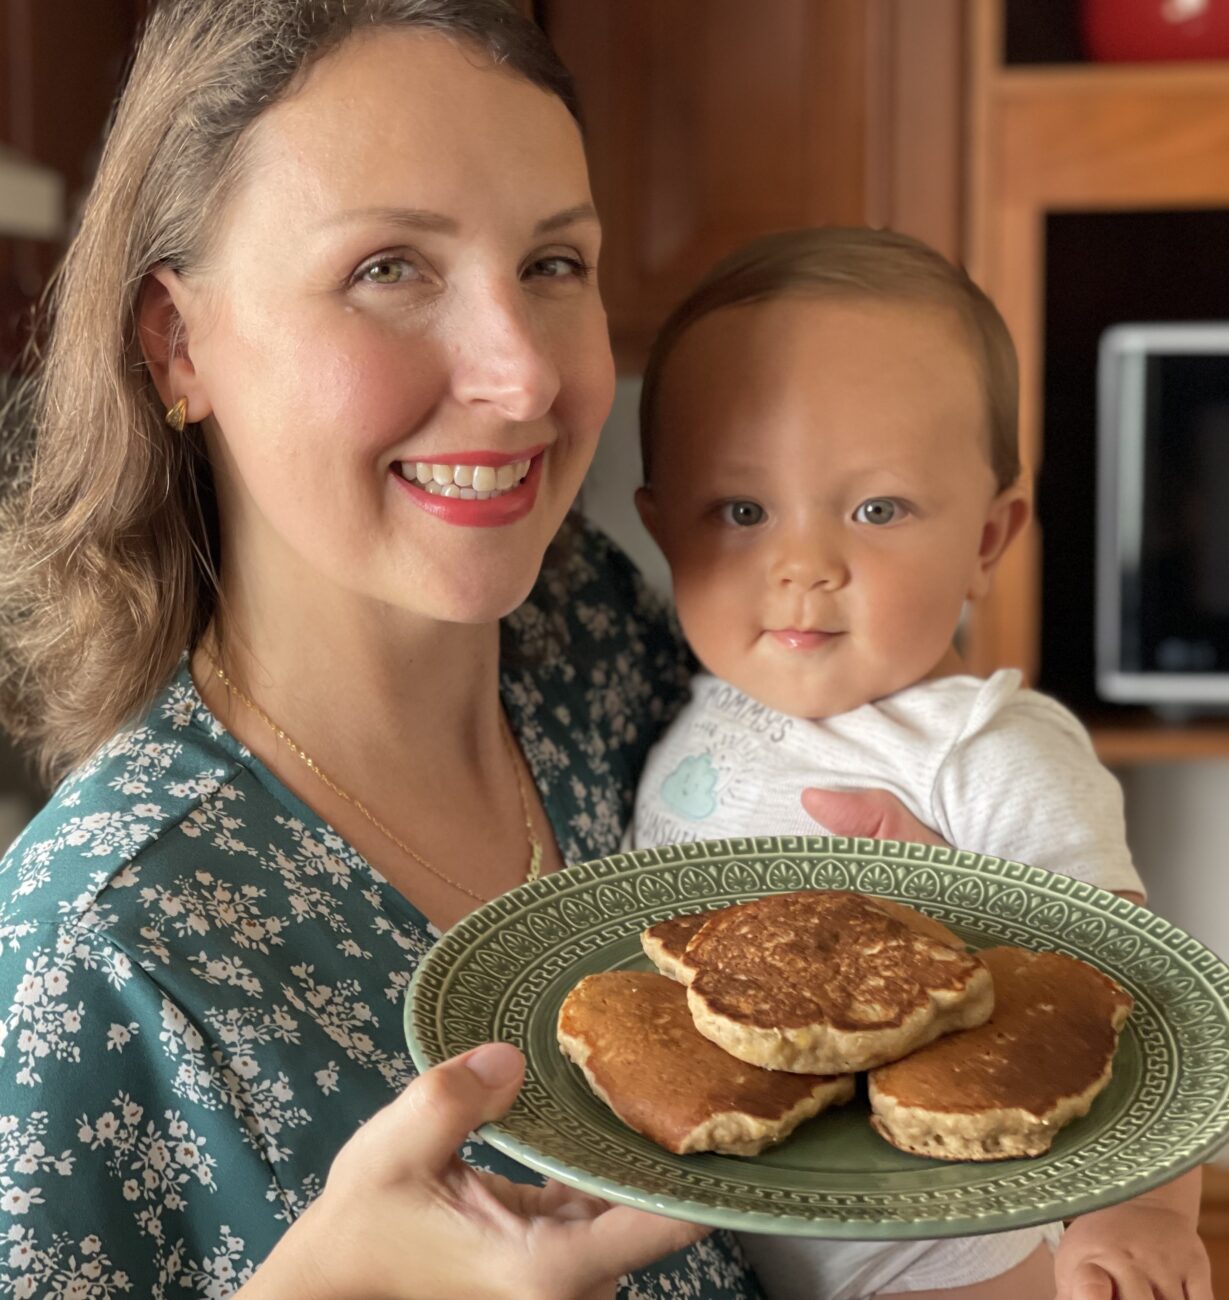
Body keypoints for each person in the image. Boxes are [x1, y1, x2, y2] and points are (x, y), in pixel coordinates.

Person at [0, 2, 777, 1296]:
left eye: (553, 265)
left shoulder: (602, 648)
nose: (523, 375)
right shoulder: (91, 956)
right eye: (390, 268)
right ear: (178, 343)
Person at [629, 227, 1213, 1300]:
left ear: (987, 541)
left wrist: (1139, 1210)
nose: (803, 564)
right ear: (667, 531)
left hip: (944, 1260)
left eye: (875, 508)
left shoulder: (986, 749)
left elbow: (1131, 995)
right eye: (743, 511)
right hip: (744, 1241)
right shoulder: (694, 705)